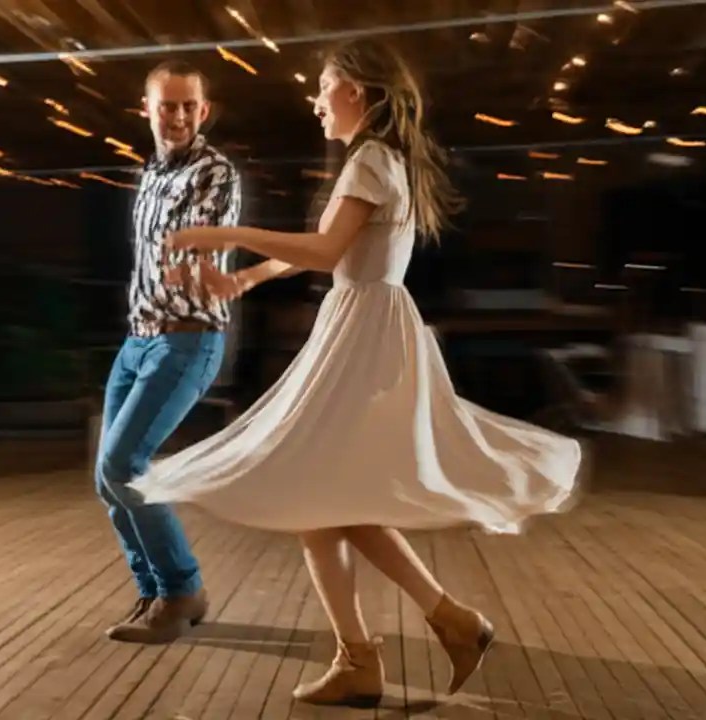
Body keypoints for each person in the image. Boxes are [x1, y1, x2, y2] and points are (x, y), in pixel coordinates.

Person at [129, 38, 583, 705]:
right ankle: (411, 637)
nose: (315, 101)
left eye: (324, 86)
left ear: (359, 95)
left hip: (362, 332)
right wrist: (251, 277)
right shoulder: (374, 160)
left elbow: (324, 249)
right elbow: (338, 244)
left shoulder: (371, 158)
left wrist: (226, 237)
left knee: (322, 495)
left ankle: (404, 640)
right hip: (365, 324)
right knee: (324, 500)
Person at [95, 59, 242, 645]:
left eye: (189, 106)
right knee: (109, 480)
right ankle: (156, 590)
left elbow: (204, 233)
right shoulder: (150, 172)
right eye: (168, 106)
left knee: (121, 465)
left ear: (203, 111)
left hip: (187, 337)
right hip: (137, 340)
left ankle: (182, 589)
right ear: (147, 109)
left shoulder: (216, 172)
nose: (179, 116)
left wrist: (196, 266)